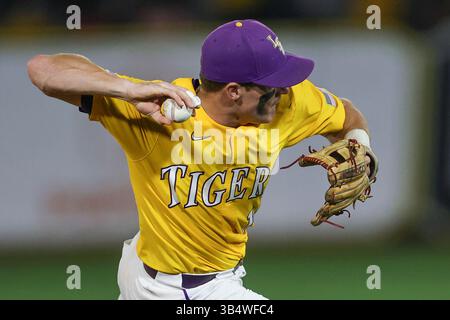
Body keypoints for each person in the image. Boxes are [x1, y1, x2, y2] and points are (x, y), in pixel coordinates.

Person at [27, 19, 375, 300]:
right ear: (234, 91)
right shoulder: (156, 114)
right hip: (180, 288)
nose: (283, 90)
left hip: (174, 271)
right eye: (271, 85)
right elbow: (42, 70)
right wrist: (127, 89)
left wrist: (359, 143)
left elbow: (347, 117)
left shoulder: (287, 103)